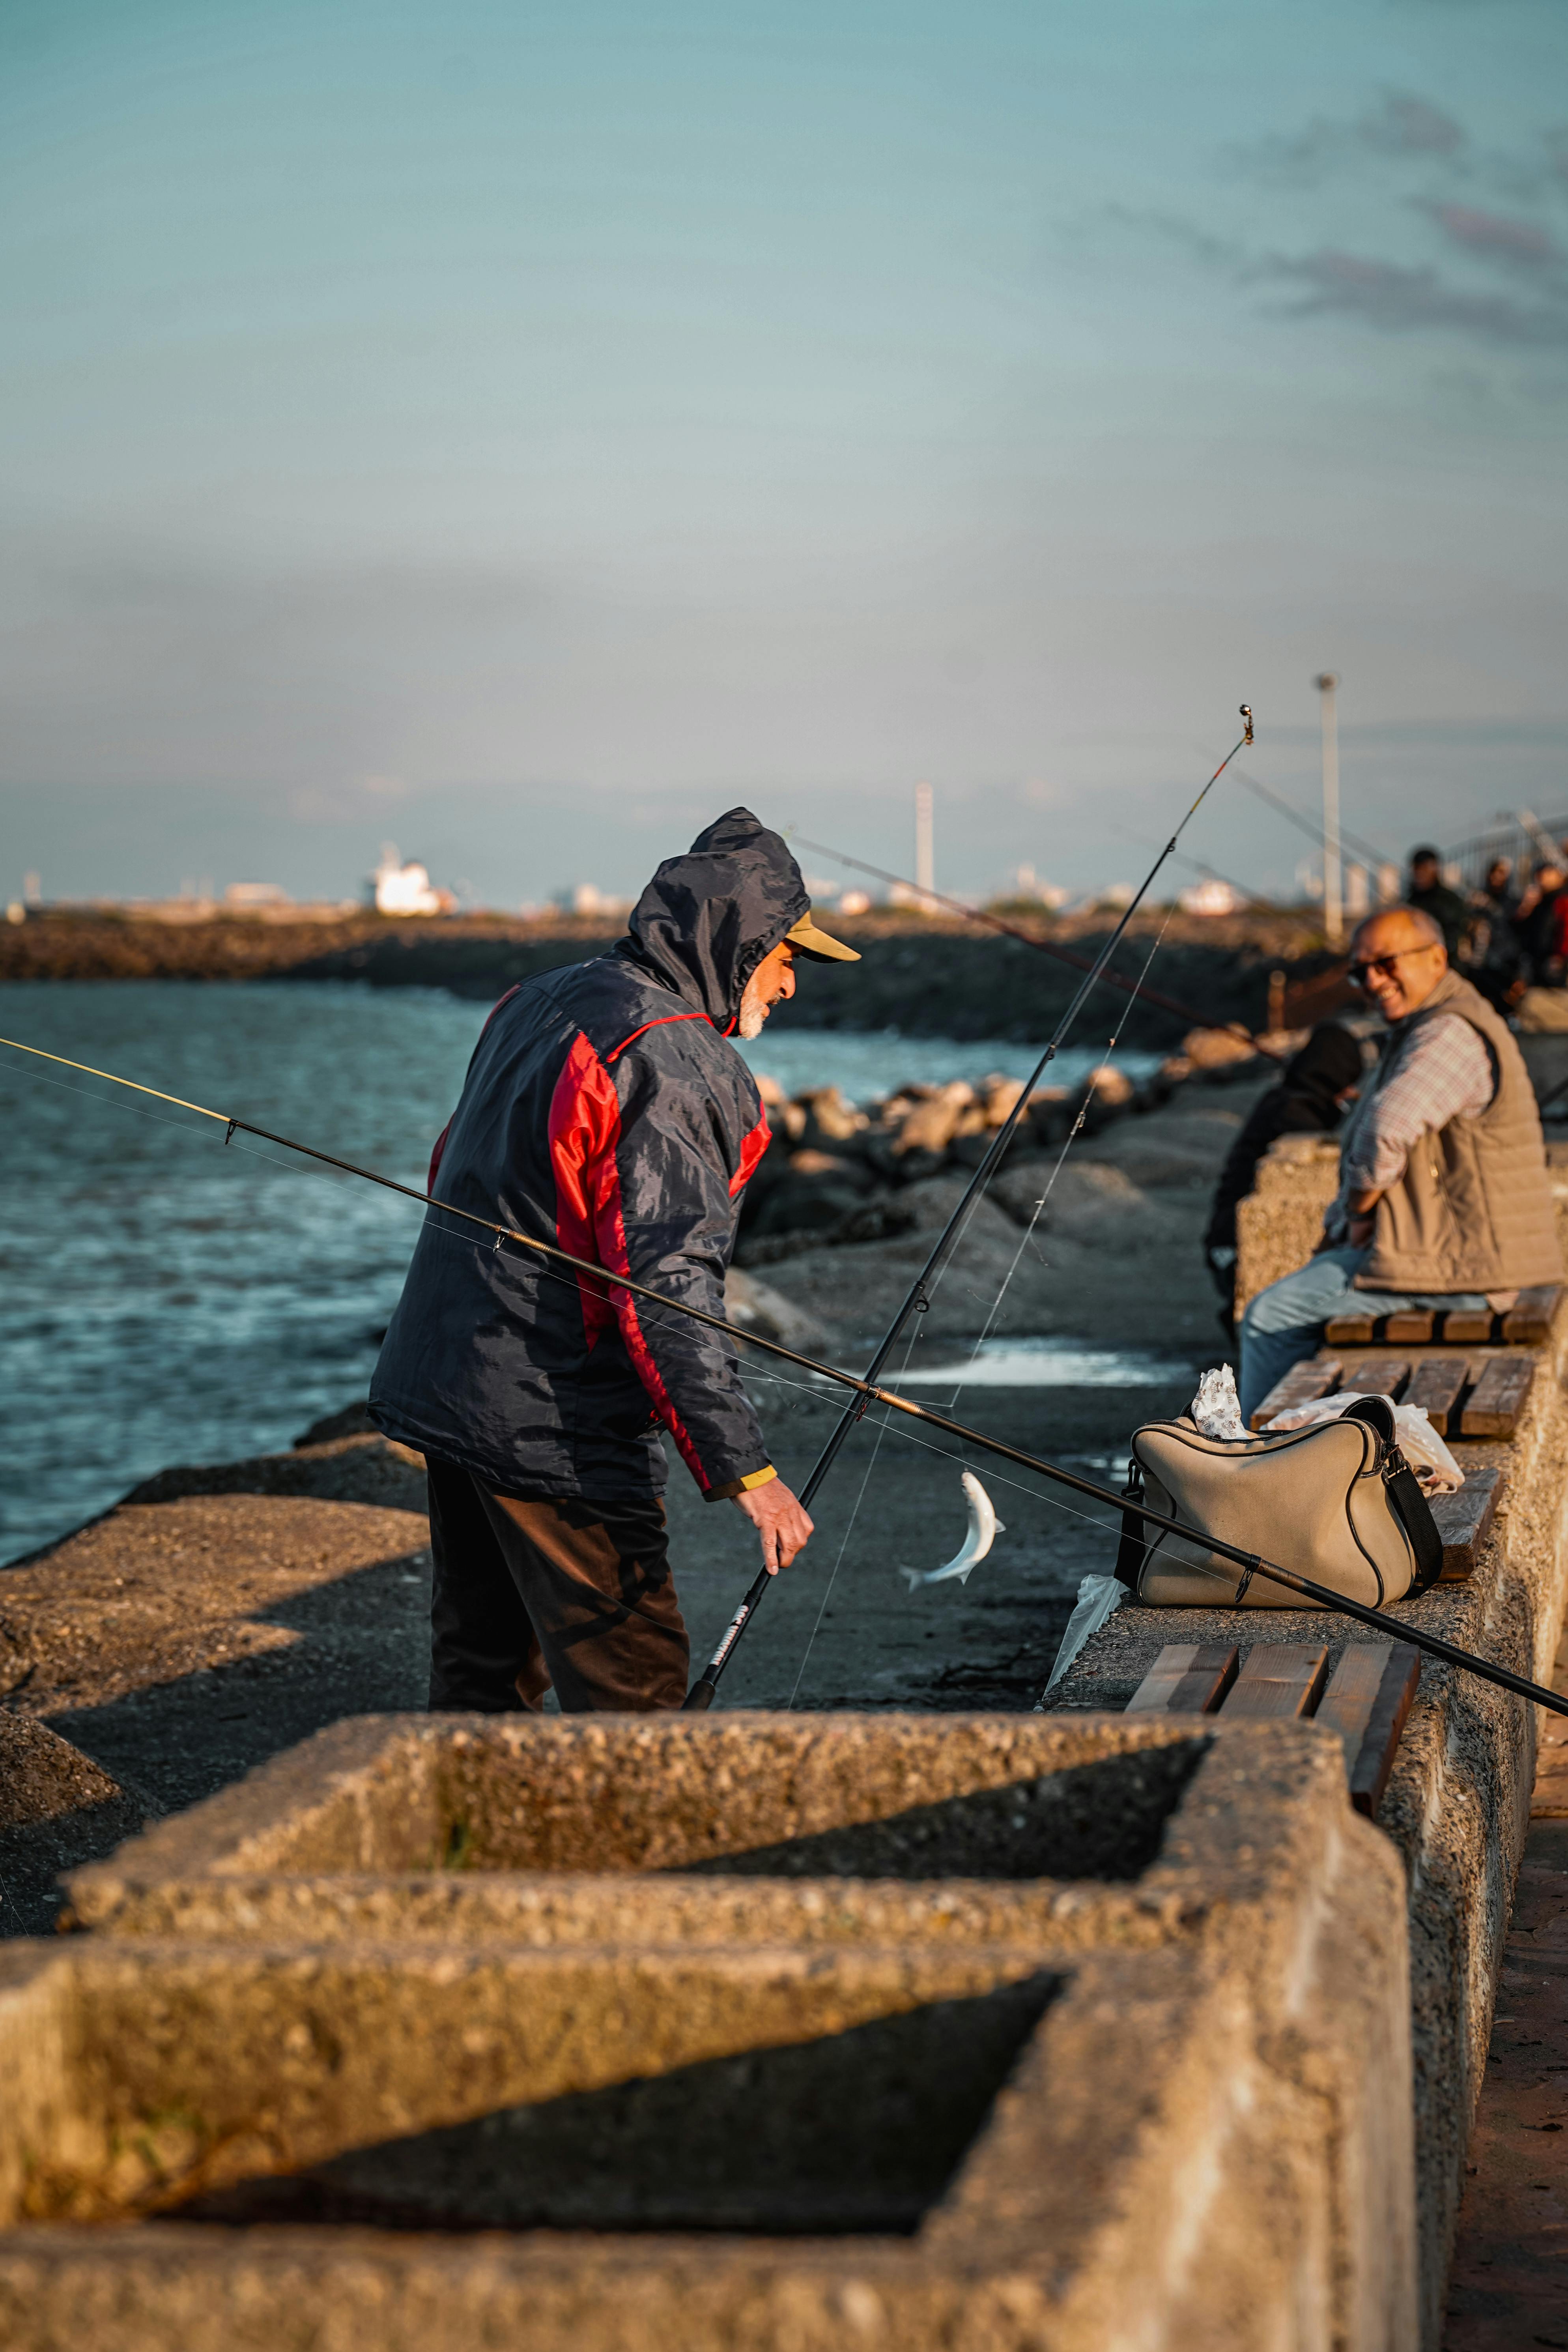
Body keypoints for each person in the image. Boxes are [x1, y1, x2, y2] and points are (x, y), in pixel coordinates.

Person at [370, 809, 860, 1713]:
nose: (793, 987)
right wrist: (745, 1470)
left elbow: (455, 1165)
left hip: (451, 1379)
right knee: (631, 1690)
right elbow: (665, 1286)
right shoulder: (676, 1060)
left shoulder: (541, 996)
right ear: (739, 944)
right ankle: (632, 1859)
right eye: (790, 959)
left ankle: (464, 1852)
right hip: (551, 1419)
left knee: (479, 1676)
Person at [1238, 904, 1562, 1425]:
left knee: (1270, 1314)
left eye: (1386, 962)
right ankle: (1292, 1446)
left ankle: (1253, 1461)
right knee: (1305, 1294)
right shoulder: (1439, 1019)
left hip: (1469, 1267)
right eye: (1360, 969)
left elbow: (1385, 1127)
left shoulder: (1446, 1031)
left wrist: (1358, 1213)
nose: (1371, 979)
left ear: (1435, 958)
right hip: (1466, 1254)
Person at [1203, 1023, 1363, 1337]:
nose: (1352, 1091)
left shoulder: (1287, 1097)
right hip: (1228, 1242)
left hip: (1219, 1235)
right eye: (1348, 1081)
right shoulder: (1293, 1109)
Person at [1463, 856, 1525, 1015]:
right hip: (1480, 965)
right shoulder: (1477, 902)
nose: (1497, 877)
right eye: (1494, 872)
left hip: (1505, 965)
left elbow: (1516, 937)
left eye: (1502, 873)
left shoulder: (1513, 904)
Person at [1405, 846, 1470, 960]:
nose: (1420, 874)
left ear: (1435, 869)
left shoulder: (1450, 900)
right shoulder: (1410, 902)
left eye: (1425, 868)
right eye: (1417, 869)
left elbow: (1458, 934)